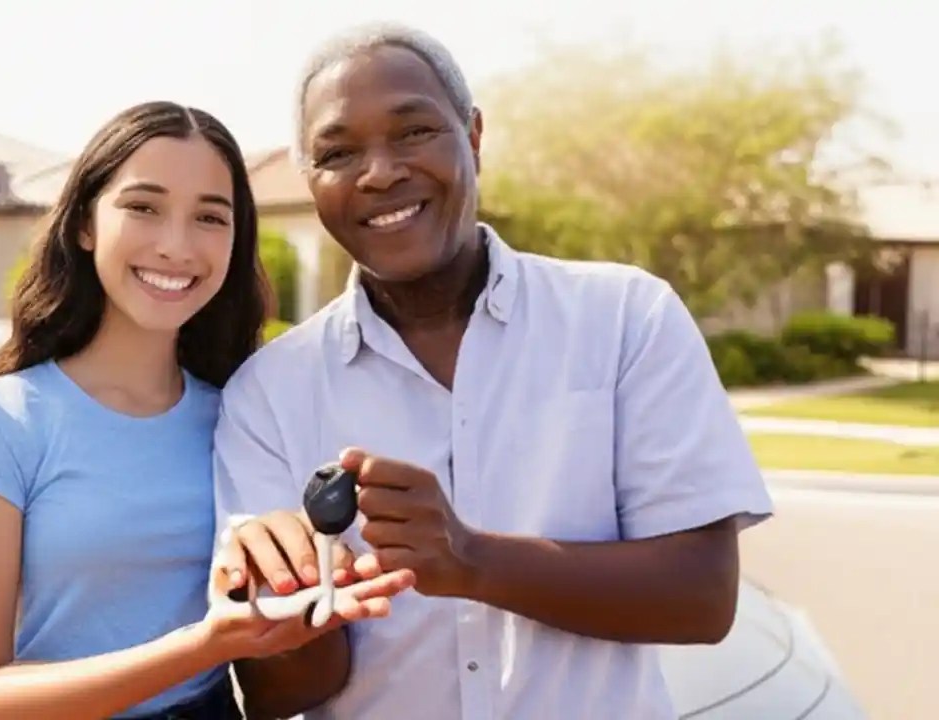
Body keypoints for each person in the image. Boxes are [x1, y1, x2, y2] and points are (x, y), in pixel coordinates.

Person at [212, 24, 776, 720]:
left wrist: (470, 558)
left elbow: (702, 599)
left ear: (473, 135)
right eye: (338, 152)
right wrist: (292, 607)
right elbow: (279, 693)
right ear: (312, 183)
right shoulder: (267, 393)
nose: (380, 170)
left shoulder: (626, 317)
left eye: (414, 131)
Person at [0, 100, 415, 720]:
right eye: (143, 207)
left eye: (210, 217)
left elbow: (286, 631)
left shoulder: (244, 414)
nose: (176, 247)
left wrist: (315, 588)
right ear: (84, 224)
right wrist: (199, 647)